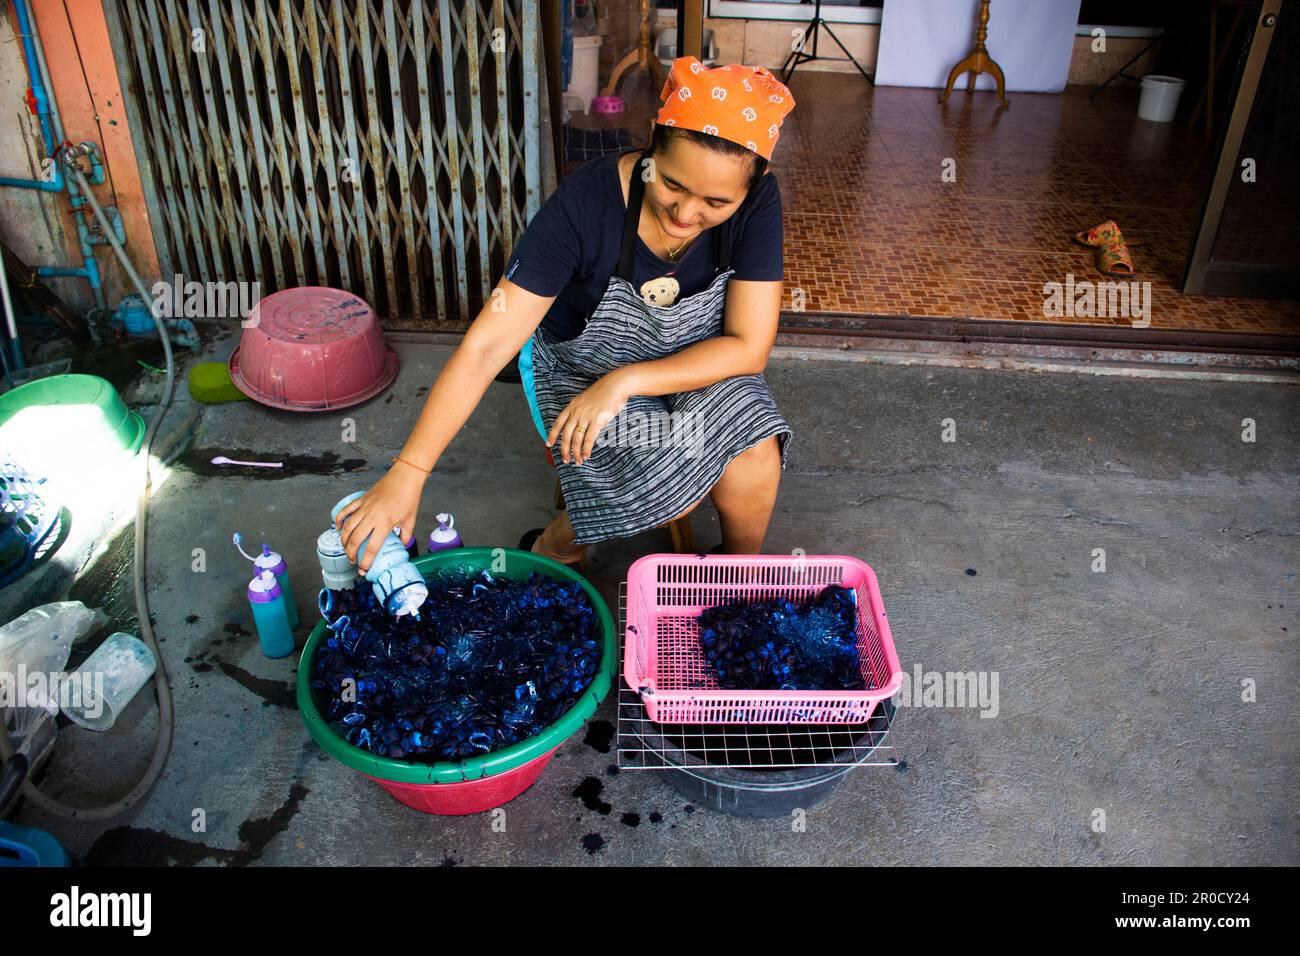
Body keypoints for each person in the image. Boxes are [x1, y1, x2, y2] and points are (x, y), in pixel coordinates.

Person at [336, 57, 796, 572]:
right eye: (671, 185)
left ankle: (738, 580)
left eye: (715, 202)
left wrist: (626, 381)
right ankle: (558, 545)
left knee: (755, 447)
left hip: (694, 363)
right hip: (578, 369)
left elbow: (748, 347)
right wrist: (408, 472)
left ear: (751, 186)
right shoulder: (582, 208)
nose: (687, 215)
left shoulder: (758, 201)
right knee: (674, 472)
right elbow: (488, 346)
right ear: (653, 142)